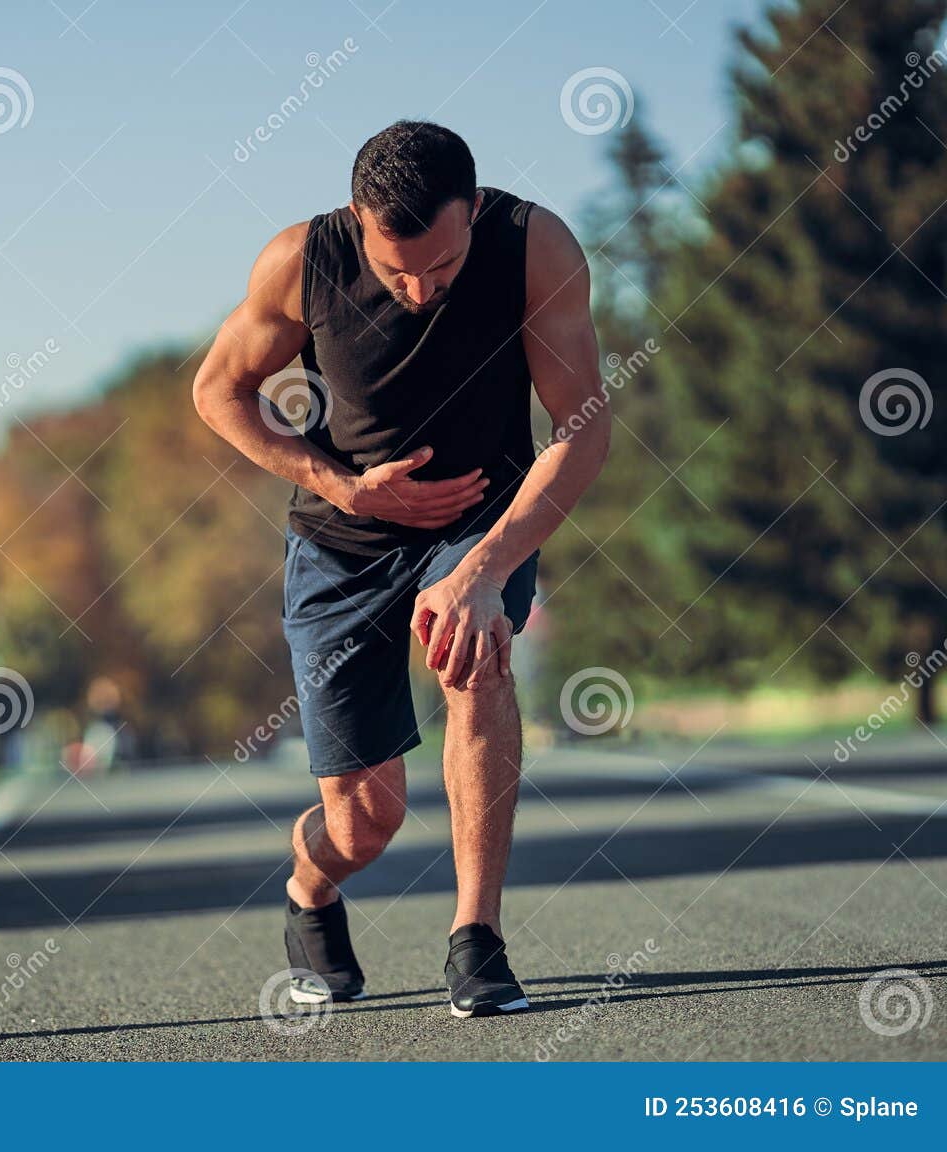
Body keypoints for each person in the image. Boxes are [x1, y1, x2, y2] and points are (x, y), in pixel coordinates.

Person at [192, 121, 609, 1017]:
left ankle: (477, 940)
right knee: (365, 821)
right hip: (341, 547)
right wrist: (336, 484)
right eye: (397, 272)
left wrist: (488, 566)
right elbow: (216, 390)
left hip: (478, 523)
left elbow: (583, 426)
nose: (421, 289)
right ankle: (311, 891)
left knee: (476, 653)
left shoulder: (533, 247)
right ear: (357, 221)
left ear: (473, 211)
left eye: (443, 269)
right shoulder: (299, 262)